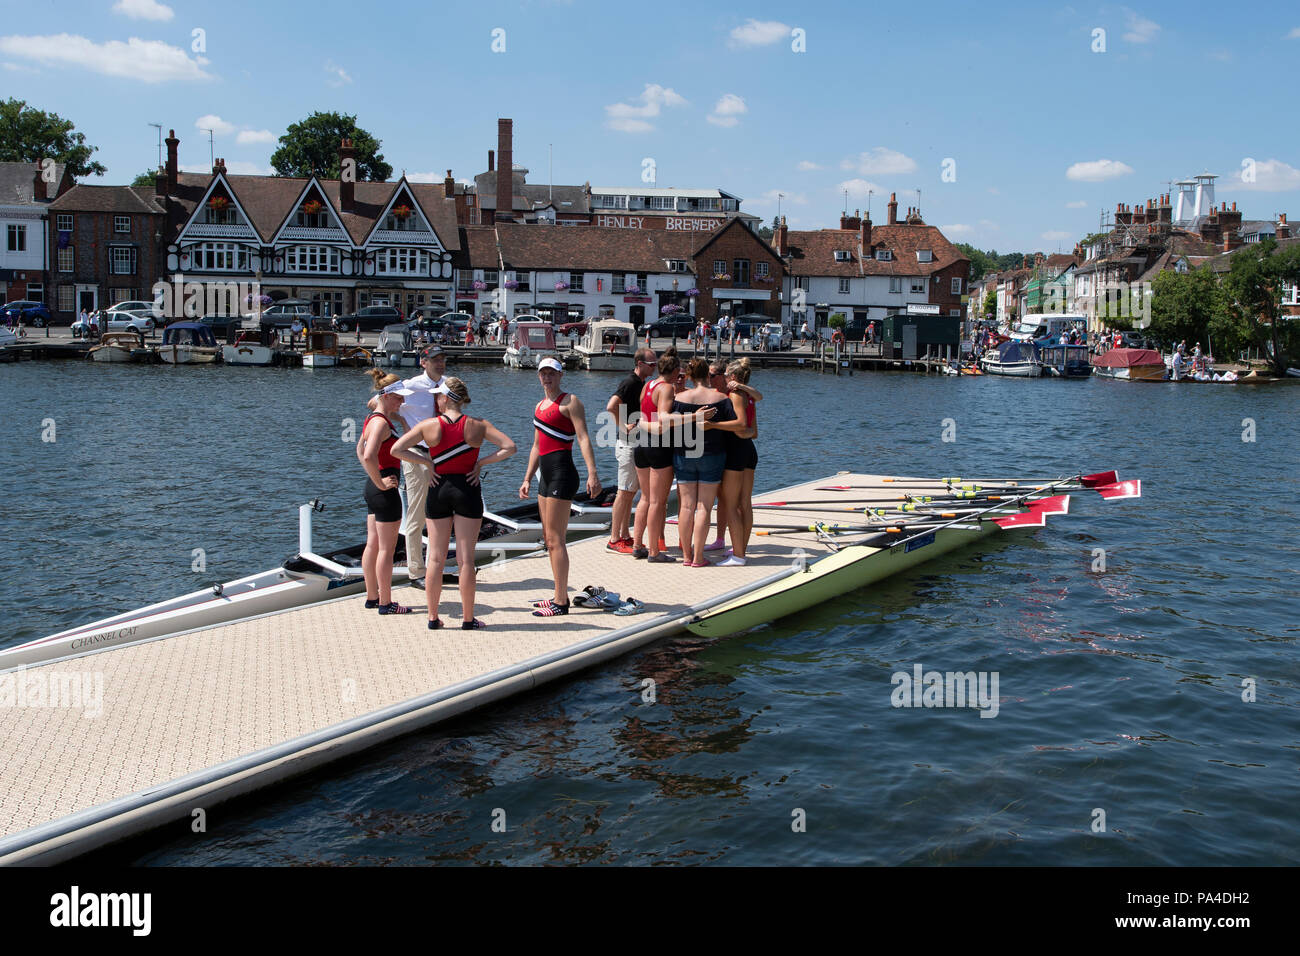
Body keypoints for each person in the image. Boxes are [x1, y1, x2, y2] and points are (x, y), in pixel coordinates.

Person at [392, 377, 516, 630]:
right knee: (466, 560)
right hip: (467, 489)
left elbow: (397, 449)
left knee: (435, 559)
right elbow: (509, 447)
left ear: (446, 398)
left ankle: (433, 618)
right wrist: (481, 463)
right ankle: (469, 619)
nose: (436, 399)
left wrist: (427, 463)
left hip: (438, 488)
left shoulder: (429, 426)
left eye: (439, 395)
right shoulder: (478, 425)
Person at [520, 357, 602, 615]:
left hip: (563, 473)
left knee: (556, 540)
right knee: (549, 539)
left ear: (560, 375)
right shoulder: (539, 405)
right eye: (543, 373)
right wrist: (526, 477)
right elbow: (536, 446)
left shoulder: (570, 402)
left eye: (552, 374)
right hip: (545, 476)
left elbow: (583, 437)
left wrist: (593, 473)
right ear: (538, 377)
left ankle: (561, 603)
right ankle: (559, 594)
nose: (547, 378)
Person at [670, 357, 736, 566]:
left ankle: (687, 556)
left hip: (684, 453)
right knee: (704, 507)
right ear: (708, 374)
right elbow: (733, 426)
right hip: (712, 454)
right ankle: (699, 556)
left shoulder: (680, 397)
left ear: (688, 375)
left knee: (686, 507)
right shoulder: (720, 398)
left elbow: (670, 423)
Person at [359, 369, 414, 616]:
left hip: (372, 489)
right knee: (386, 550)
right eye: (399, 397)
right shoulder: (381, 423)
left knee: (372, 545)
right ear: (388, 395)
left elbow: (360, 452)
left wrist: (401, 420)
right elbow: (368, 456)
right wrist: (381, 483)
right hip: (384, 490)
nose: (402, 401)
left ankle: (372, 597)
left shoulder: (373, 417)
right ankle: (386, 603)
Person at [396, 345, 448, 588]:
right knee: (416, 514)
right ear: (423, 362)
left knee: (440, 513)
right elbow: (375, 402)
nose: (439, 363)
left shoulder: (447, 385)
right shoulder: (412, 385)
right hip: (417, 454)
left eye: (442, 359)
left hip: (442, 455)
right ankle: (416, 571)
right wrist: (405, 423)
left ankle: (437, 566)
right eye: (434, 360)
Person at [706, 357, 761, 565]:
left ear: (733, 377)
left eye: (727, 374)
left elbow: (740, 424)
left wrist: (713, 426)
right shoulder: (748, 395)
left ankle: (738, 556)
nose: (725, 377)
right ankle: (741, 550)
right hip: (748, 450)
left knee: (731, 505)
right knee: (744, 504)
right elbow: (753, 431)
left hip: (737, 452)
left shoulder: (736, 394)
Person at [604, 347, 656, 554]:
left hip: (635, 441)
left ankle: (624, 535)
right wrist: (623, 425)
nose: (655, 367)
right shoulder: (630, 382)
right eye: (651, 364)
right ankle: (614, 538)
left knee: (630, 492)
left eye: (655, 364)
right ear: (639, 364)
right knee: (623, 492)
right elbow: (611, 406)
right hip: (627, 443)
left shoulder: (641, 383)